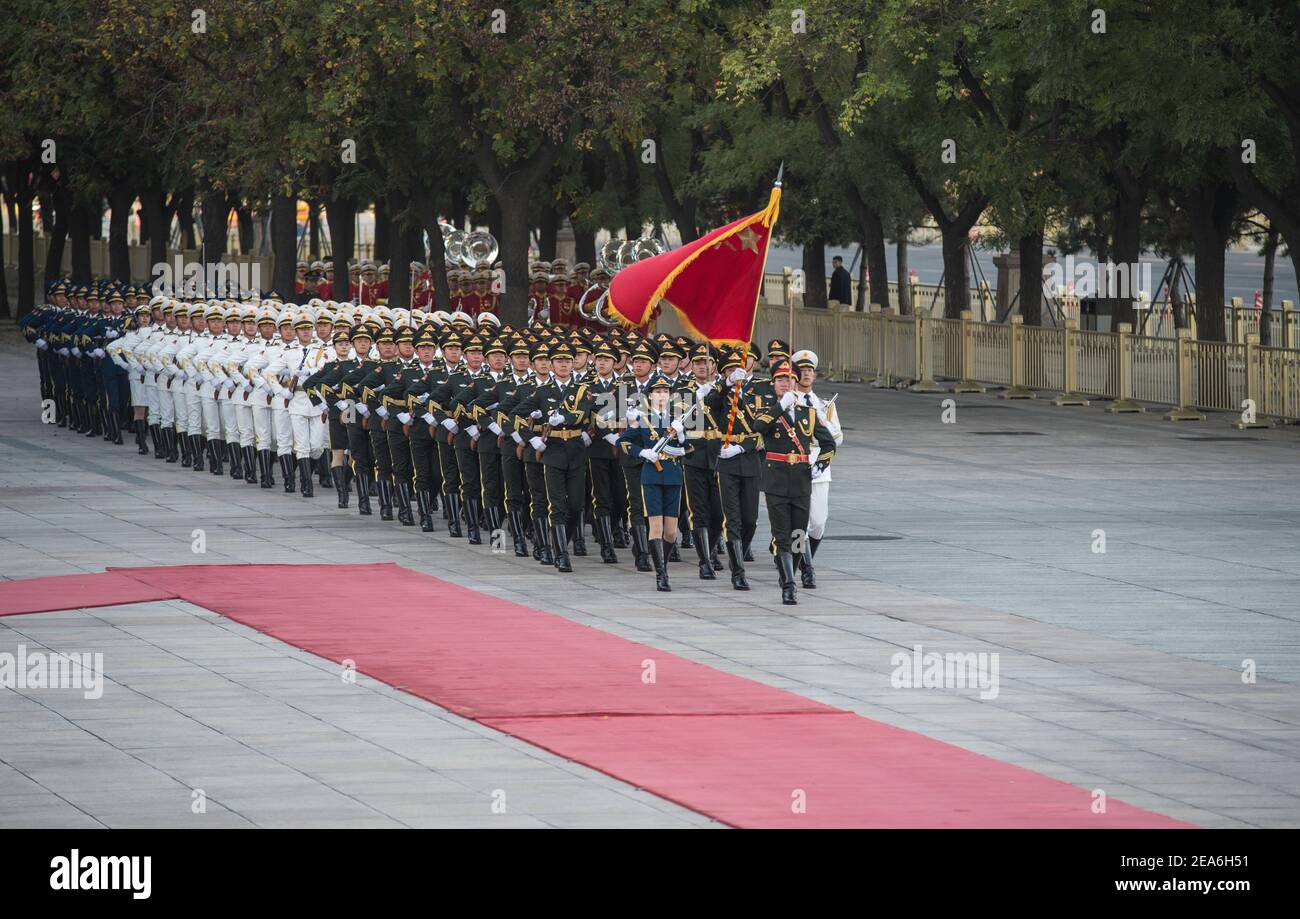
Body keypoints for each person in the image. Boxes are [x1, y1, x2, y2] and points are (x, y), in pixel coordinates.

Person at [750, 359, 838, 605]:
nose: (784, 384)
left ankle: (790, 570)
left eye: (789, 380)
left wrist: (819, 466)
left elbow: (828, 443)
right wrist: (780, 407)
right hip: (776, 480)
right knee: (782, 535)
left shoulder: (808, 414)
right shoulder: (767, 411)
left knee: (800, 534)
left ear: (796, 384)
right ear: (773, 384)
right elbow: (758, 426)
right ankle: (789, 585)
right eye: (780, 380)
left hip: (800, 479)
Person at [618, 375, 688, 591]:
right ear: (650, 395)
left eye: (665, 392)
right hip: (652, 477)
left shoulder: (677, 419)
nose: (662, 395)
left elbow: (689, 449)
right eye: (658, 392)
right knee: (656, 527)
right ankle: (661, 574)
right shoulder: (643, 418)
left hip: (673, 476)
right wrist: (643, 452)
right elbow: (624, 442)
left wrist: (683, 434)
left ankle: (662, 563)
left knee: (671, 532)